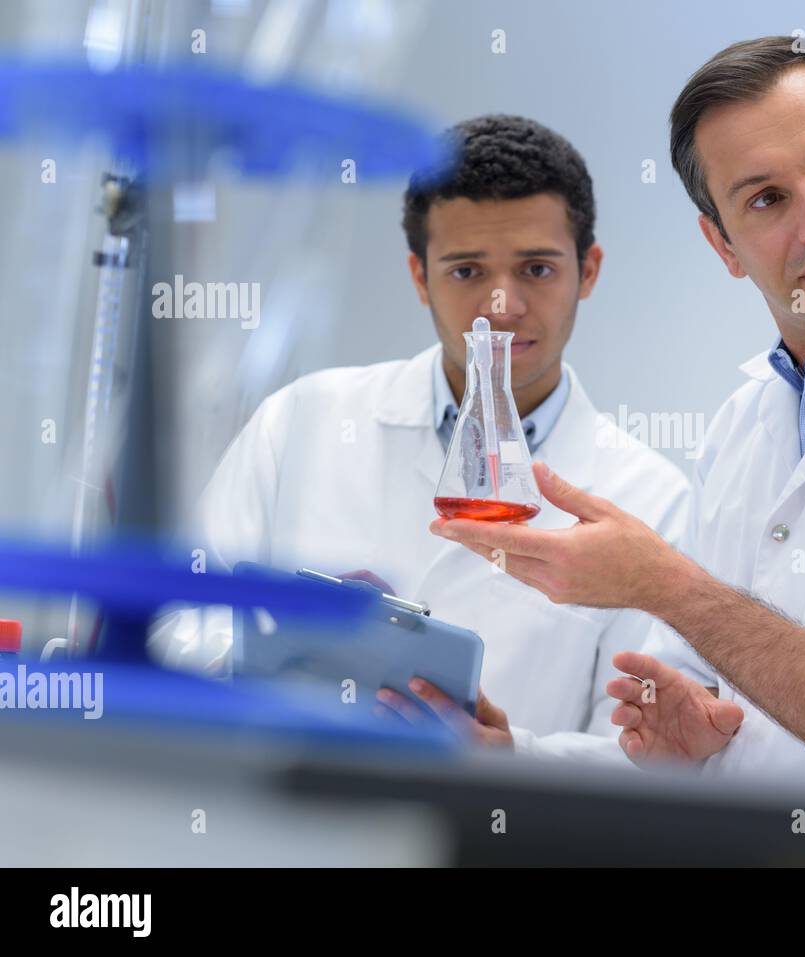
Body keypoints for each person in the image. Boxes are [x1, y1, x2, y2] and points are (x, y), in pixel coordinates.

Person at [429, 37, 805, 791]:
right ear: (722, 243)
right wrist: (528, 756)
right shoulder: (743, 423)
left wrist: (668, 586)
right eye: (766, 199)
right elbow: (697, 729)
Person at [158, 114, 690, 757]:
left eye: (537, 270)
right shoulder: (300, 421)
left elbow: (652, 753)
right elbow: (176, 615)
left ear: (589, 271)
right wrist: (286, 670)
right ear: (420, 277)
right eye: (467, 271)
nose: (503, 305)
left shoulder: (653, 501)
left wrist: (513, 755)